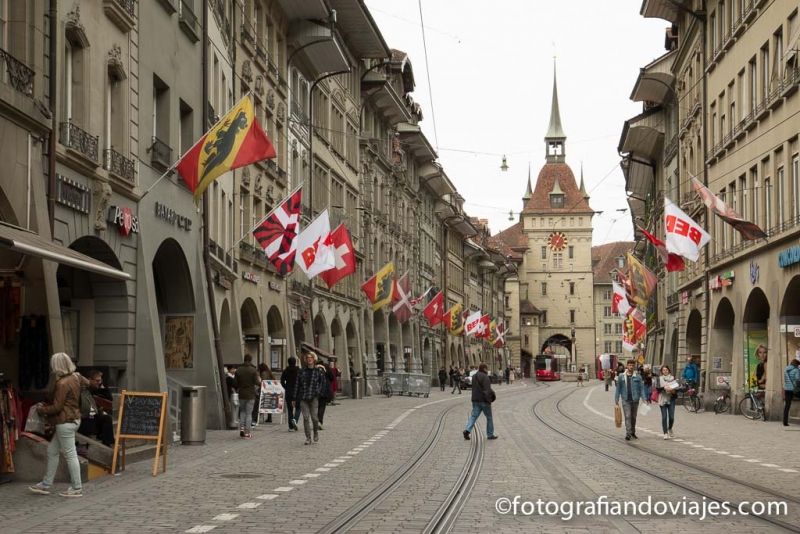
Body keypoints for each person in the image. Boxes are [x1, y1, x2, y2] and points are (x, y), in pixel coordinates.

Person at [29, 353, 88, 497]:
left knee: (70, 454)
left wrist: (40, 410)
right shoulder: (77, 376)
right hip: (74, 418)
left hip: (65, 421)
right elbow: (88, 384)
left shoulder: (62, 383)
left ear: (57, 366)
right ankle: (46, 483)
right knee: (52, 451)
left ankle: (76, 487)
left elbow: (57, 407)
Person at [77, 370, 115, 447]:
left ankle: (108, 444)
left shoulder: (97, 389)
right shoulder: (83, 390)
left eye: (100, 380)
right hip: (83, 418)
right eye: (97, 380)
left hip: (92, 416)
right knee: (93, 418)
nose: (99, 382)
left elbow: (109, 399)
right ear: (89, 380)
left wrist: (103, 388)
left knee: (106, 418)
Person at [294, 351, 324, 445]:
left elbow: (322, 383)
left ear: (314, 359)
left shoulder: (318, 371)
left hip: (314, 397)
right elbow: (297, 385)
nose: (309, 359)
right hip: (303, 398)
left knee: (315, 418)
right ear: (306, 360)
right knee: (306, 418)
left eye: (311, 357)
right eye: (307, 358)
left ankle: (315, 432)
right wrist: (294, 398)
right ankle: (308, 438)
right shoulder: (301, 371)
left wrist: (318, 392)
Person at [463, 363, 498, 440]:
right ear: (484, 369)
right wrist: (488, 400)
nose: (488, 370)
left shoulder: (474, 376)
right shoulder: (485, 377)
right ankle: (490, 434)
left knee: (473, 416)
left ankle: (467, 430)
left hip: (475, 400)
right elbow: (487, 390)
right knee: (489, 418)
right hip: (484, 400)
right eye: (487, 368)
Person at [614, 359, 644, 441]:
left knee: (633, 417)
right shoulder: (621, 376)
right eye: (629, 365)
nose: (631, 367)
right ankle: (628, 433)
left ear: (634, 366)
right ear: (627, 366)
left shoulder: (638, 376)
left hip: (635, 399)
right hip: (625, 399)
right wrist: (616, 399)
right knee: (627, 416)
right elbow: (618, 388)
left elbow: (641, 388)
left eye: (632, 365)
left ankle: (633, 432)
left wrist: (644, 399)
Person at [233, 354, 261, 439]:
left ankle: (241, 428)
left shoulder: (238, 370)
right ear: (250, 360)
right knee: (249, 414)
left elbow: (235, 383)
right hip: (250, 394)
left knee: (242, 412)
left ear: (244, 360)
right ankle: (247, 433)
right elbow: (257, 382)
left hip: (241, 393)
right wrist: (260, 382)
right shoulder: (253, 370)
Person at [655, 365, 677, 439]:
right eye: (663, 370)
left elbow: (676, 389)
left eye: (666, 370)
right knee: (664, 417)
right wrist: (664, 388)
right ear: (661, 372)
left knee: (671, 417)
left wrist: (673, 390)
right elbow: (657, 388)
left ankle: (670, 428)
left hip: (671, 399)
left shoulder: (673, 378)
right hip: (662, 399)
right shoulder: (659, 378)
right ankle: (665, 433)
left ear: (669, 370)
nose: (665, 371)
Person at [281, 356, 300, 432]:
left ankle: (290, 427)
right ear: (295, 362)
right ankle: (295, 420)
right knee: (298, 408)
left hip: (289, 392)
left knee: (290, 409)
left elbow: (282, 381)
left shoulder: (285, 370)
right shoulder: (298, 370)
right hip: (297, 391)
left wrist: (286, 387)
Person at [316, 361, 334, 430]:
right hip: (324, 390)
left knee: (314, 407)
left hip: (315, 390)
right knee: (322, 406)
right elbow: (332, 377)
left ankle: (316, 421)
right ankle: (319, 421)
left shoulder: (314, 367)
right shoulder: (326, 367)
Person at [783, 359, 800, 427]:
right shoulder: (796, 370)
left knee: (787, 406)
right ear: (796, 364)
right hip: (794, 390)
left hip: (787, 389)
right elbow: (797, 379)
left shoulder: (786, 369)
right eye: (798, 365)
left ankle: (785, 422)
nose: (798, 366)